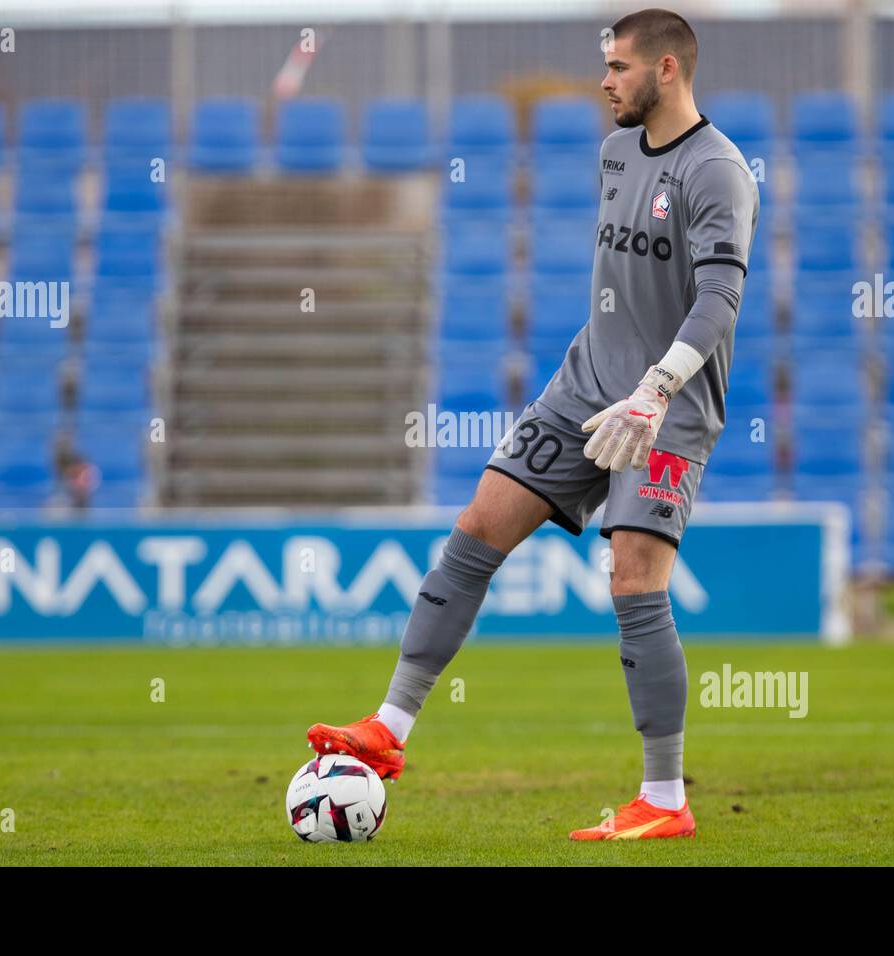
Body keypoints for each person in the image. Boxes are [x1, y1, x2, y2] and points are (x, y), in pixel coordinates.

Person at [308, 8, 759, 840]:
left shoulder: (719, 170)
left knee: (634, 579)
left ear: (666, 70)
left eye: (619, 67)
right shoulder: (615, 153)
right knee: (477, 527)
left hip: (669, 409)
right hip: (583, 385)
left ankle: (664, 800)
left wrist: (657, 390)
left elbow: (720, 300)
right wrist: (611, 378)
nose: (604, 81)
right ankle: (389, 730)